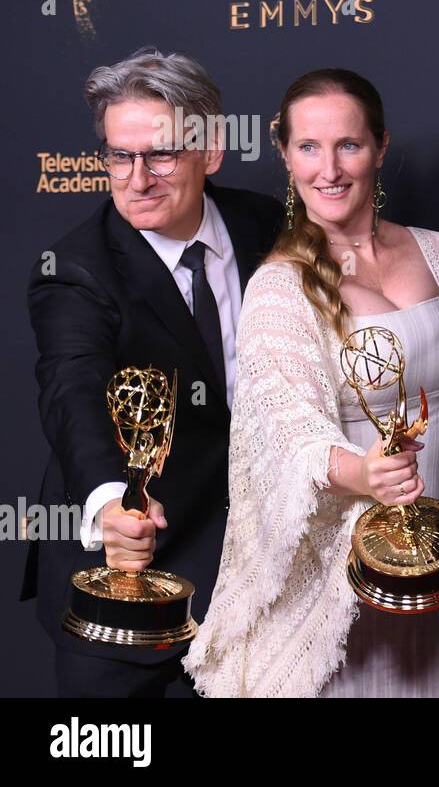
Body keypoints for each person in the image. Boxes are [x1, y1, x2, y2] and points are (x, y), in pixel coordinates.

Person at [182, 69, 439, 697]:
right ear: (284, 155)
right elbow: (287, 437)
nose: (330, 168)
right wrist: (362, 474)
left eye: (349, 145)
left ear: (381, 148)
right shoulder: (279, 289)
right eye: (309, 147)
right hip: (345, 580)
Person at [23, 48, 283, 697]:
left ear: (211, 150)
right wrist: (111, 501)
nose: (137, 178)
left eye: (161, 153)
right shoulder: (75, 270)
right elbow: (72, 390)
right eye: (119, 155)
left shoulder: (270, 227)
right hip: (123, 580)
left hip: (253, 581)